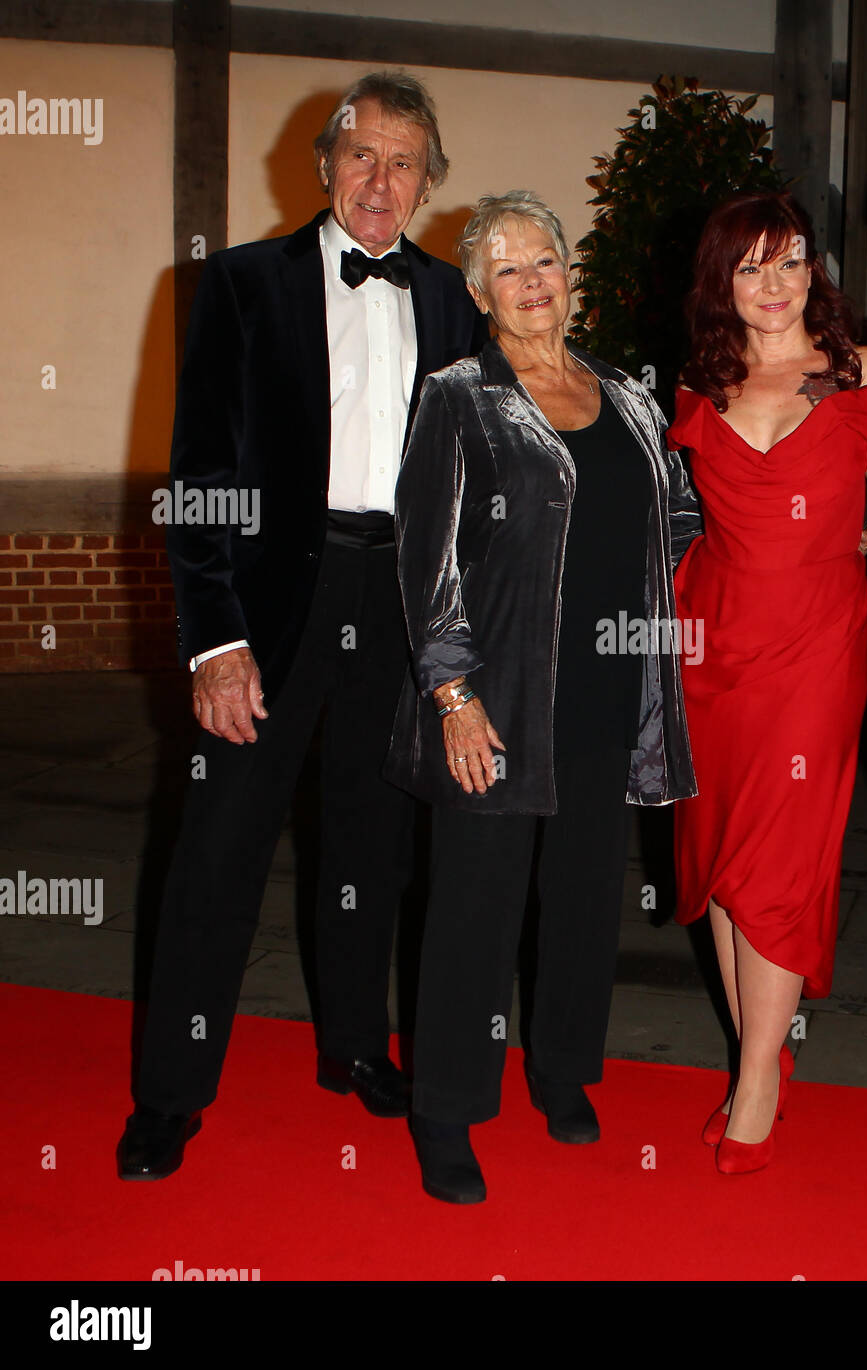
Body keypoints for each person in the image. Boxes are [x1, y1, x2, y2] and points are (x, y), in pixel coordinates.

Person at [116, 72, 485, 1180]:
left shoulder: (452, 300)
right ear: (322, 162)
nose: (380, 180)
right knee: (219, 845)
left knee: (372, 841)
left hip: (399, 599)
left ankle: (356, 1049)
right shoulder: (236, 284)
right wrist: (211, 637)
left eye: (404, 161)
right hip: (279, 596)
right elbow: (199, 482)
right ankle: (171, 1094)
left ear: (428, 184)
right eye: (362, 154)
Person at [384, 190, 700, 1204]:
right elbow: (424, 558)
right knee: (473, 906)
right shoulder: (458, 396)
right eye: (507, 268)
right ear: (479, 292)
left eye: (546, 261)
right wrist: (453, 692)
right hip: (501, 693)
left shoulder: (630, 395)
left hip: (609, 690)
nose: (532, 281)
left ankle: (563, 1069)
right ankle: (446, 1103)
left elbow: (682, 519)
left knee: (579, 898)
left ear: (572, 275)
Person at [667, 192, 867, 1175]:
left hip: (814, 645)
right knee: (723, 855)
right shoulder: (699, 380)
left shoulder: (859, 376)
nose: (775, 284)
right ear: (721, 280)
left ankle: (757, 1080)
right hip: (708, 643)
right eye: (752, 266)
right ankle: (757, 1052)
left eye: (792, 261)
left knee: (775, 863)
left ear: (816, 271)